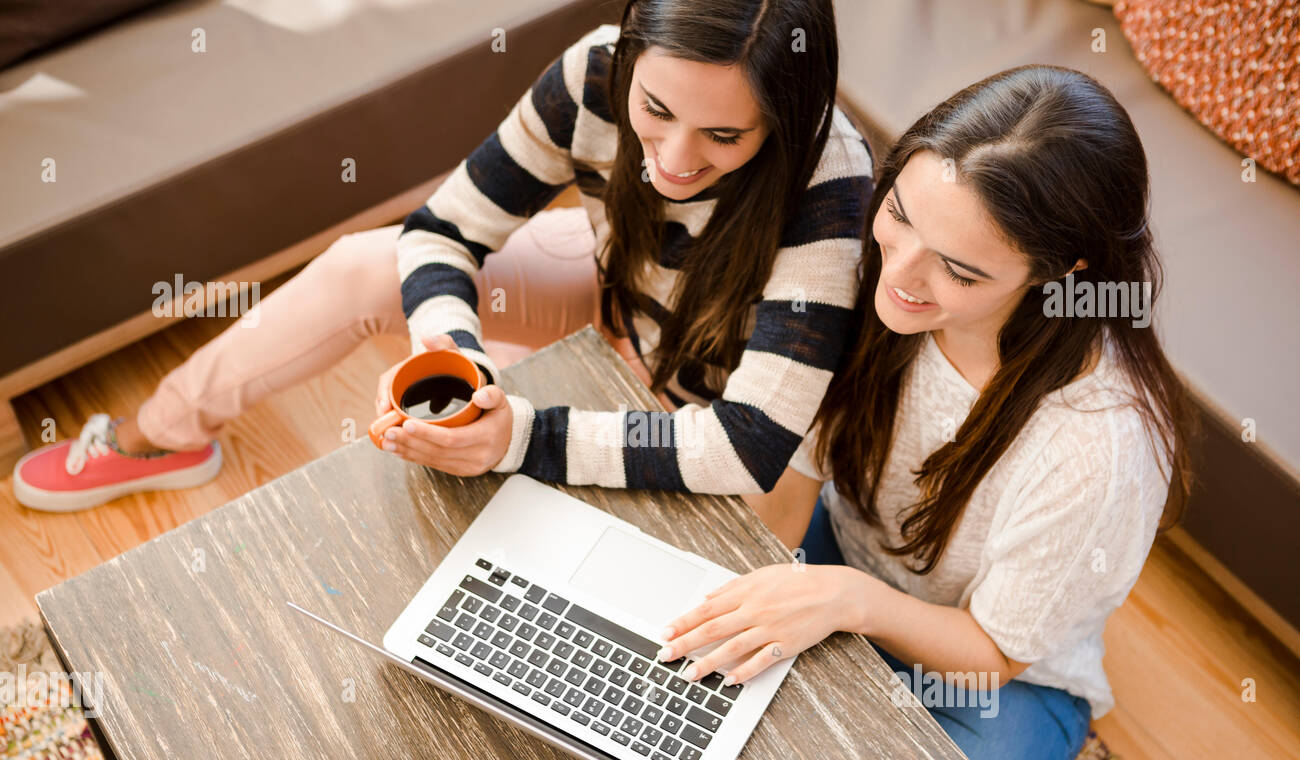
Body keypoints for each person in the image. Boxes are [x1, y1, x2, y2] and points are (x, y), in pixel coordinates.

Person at [14, 0, 872, 511]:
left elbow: (747, 443)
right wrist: (455, 355)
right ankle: (159, 436)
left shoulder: (829, 188)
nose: (675, 160)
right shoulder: (592, 77)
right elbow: (441, 231)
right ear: (631, 54)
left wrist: (521, 436)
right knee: (364, 263)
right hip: (623, 296)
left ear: (784, 119)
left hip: (728, 413)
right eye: (655, 110)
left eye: (724, 135)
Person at [657, 65, 1194, 760]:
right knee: (687, 714)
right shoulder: (867, 273)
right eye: (901, 215)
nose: (898, 275)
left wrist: (847, 601)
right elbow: (794, 478)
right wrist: (755, 582)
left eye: (960, 269)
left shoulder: (1098, 447)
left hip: (996, 681)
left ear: (1061, 270)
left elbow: (995, 655)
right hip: (840, 555)